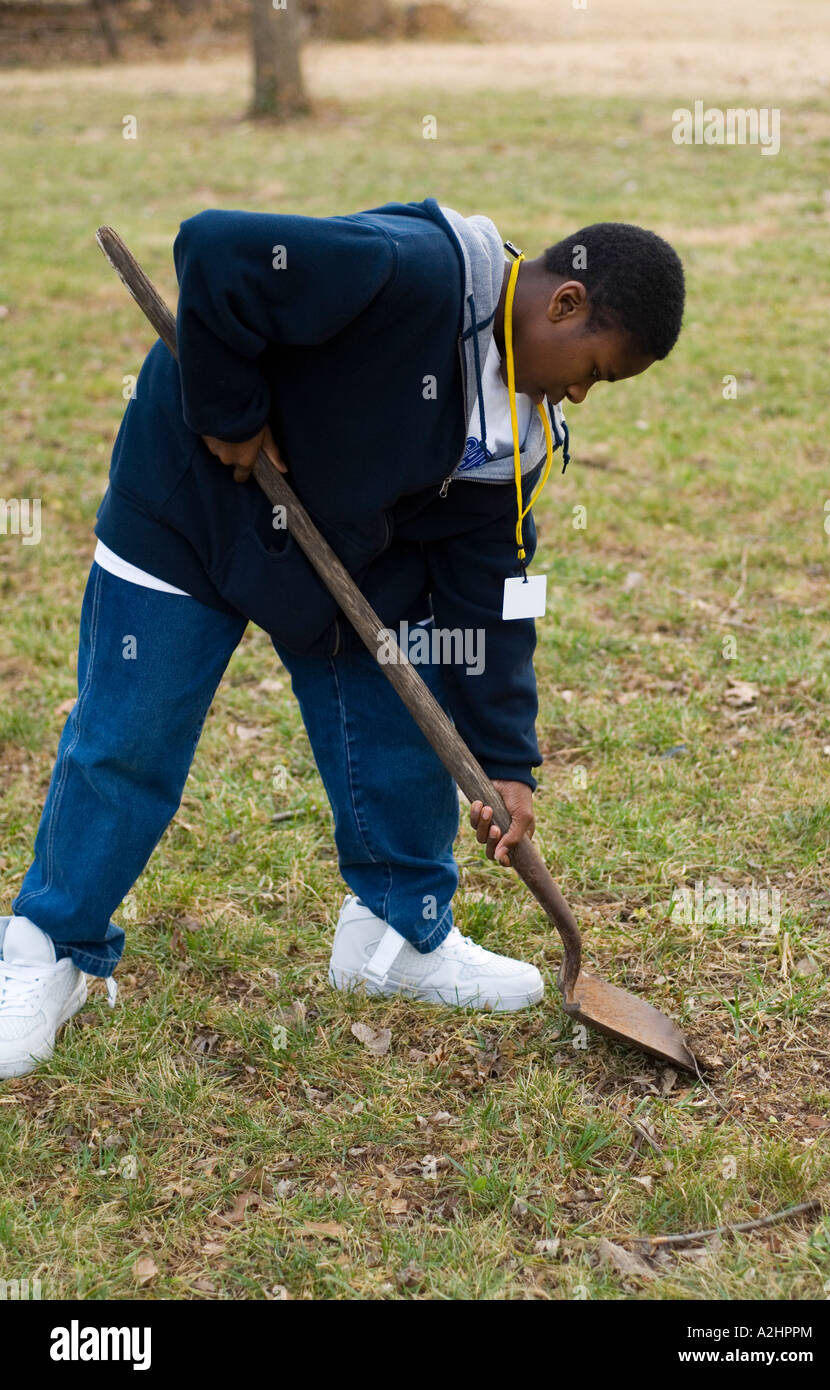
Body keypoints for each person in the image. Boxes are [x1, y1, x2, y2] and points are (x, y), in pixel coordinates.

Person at [0, 198, 685, 1078]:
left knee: (402, 711)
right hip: (191, 512)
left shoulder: (521, 433)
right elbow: (215, 249)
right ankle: (49, 950)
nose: (582, 394)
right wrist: (231, 410)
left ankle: (398, 937)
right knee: (129, 739)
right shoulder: (411, 268)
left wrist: (508, 761)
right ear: (563, 304)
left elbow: (497, 596)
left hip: (348, 556)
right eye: (593, 368)